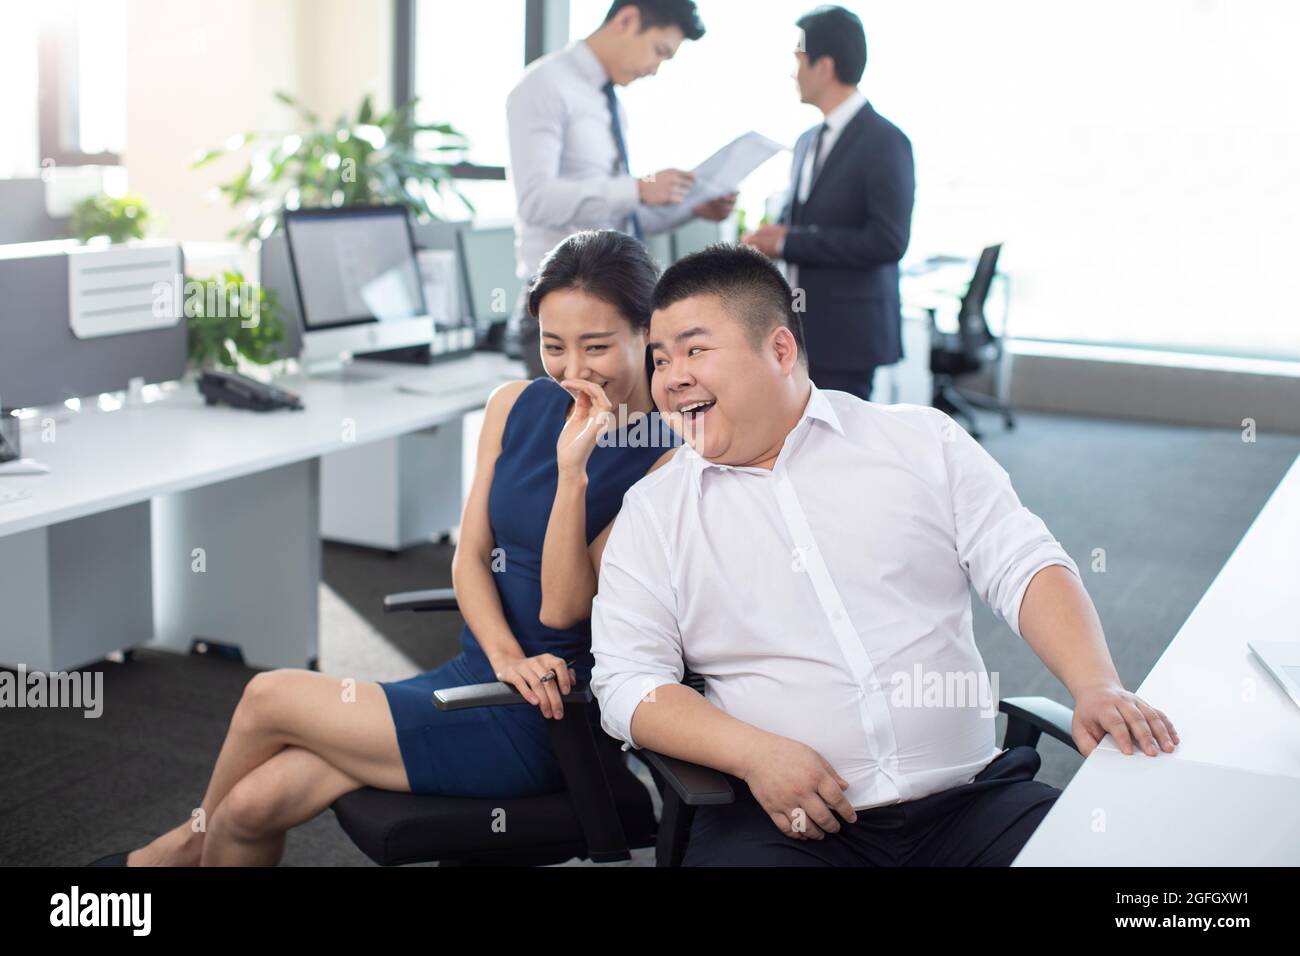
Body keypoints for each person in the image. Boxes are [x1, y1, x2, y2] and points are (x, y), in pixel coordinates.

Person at [96, 230, 676, 866]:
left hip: (547, 714)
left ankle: (177, 850)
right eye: (552, 347)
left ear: (647, 333)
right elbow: (470, 557)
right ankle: (198, 840)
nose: (572, 372)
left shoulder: (667, 457)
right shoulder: (513, 405)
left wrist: (574, 472)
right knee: (251, 805)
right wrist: (503, 654)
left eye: (596, 348)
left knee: (269, 697)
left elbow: (564, 609)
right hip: (477, 676)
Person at [590, 244, 1180, 866]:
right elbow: (628, 680)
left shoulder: (920, 441)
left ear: (780, 350)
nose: (671, 376)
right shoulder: (655, 511)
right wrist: (754, 753)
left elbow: (1023, 563)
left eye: (694, 350)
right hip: (782, 824)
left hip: (968, 801)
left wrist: (1095, 683)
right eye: (659, 360)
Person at [506, 0, 737, 378]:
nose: (655, 69)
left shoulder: (608, 102)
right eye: (659, 51)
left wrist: (692, 207)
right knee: (571, 433)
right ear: (628, 19)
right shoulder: (544, 87)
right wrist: (637, 188)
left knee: (629, 434)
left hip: (619, 306)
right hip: (564, 312)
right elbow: (535, 200)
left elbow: (617, 215)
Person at [742, 5, 914, 401]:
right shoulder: (806, 141)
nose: (792, 73)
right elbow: (799, 219)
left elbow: (888, 240)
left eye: (798, 61)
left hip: (849, 334)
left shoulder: (885, 141)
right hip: (801, 327)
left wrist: (788, 240)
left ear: (824, 66)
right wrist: (767, 238)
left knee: (841, 450)